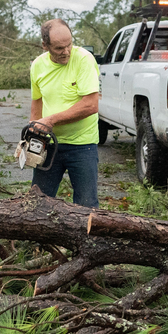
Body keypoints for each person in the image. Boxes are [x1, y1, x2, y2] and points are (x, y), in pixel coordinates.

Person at [28, 19, 100, 208]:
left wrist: (50, 121)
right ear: (45, 46)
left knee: (86, 205)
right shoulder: (37, 66)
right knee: (38, 201)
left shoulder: (84, 59)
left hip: (82, 145)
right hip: (49, 144)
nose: (66, 51)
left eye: (69, 45)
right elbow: (37, 101)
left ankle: (86, 237)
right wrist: (32, 137)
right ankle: (39, 236)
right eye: (59, 48)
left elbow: (91, 105)